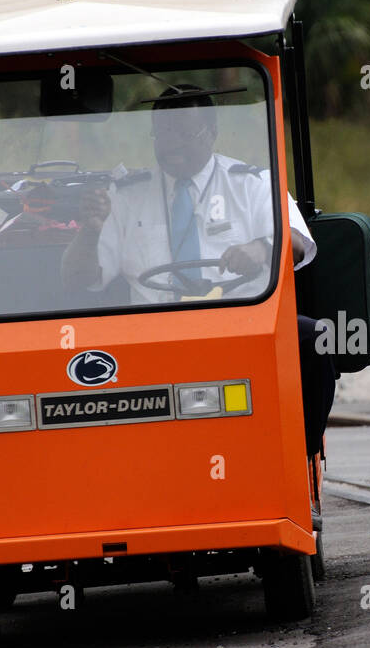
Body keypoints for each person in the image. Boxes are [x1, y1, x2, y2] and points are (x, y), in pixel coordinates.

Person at [62, 86, 336, 459]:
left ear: (211, 133)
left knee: (312, 340)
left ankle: (297, 462)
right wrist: (89, 230)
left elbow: (299, 244)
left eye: (184, 133)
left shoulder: (251, 183)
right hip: (151, 334)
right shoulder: (125, 195)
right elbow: (80, 279)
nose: (171, 144)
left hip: (241, 324)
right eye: (164, 133)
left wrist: (261, 248)